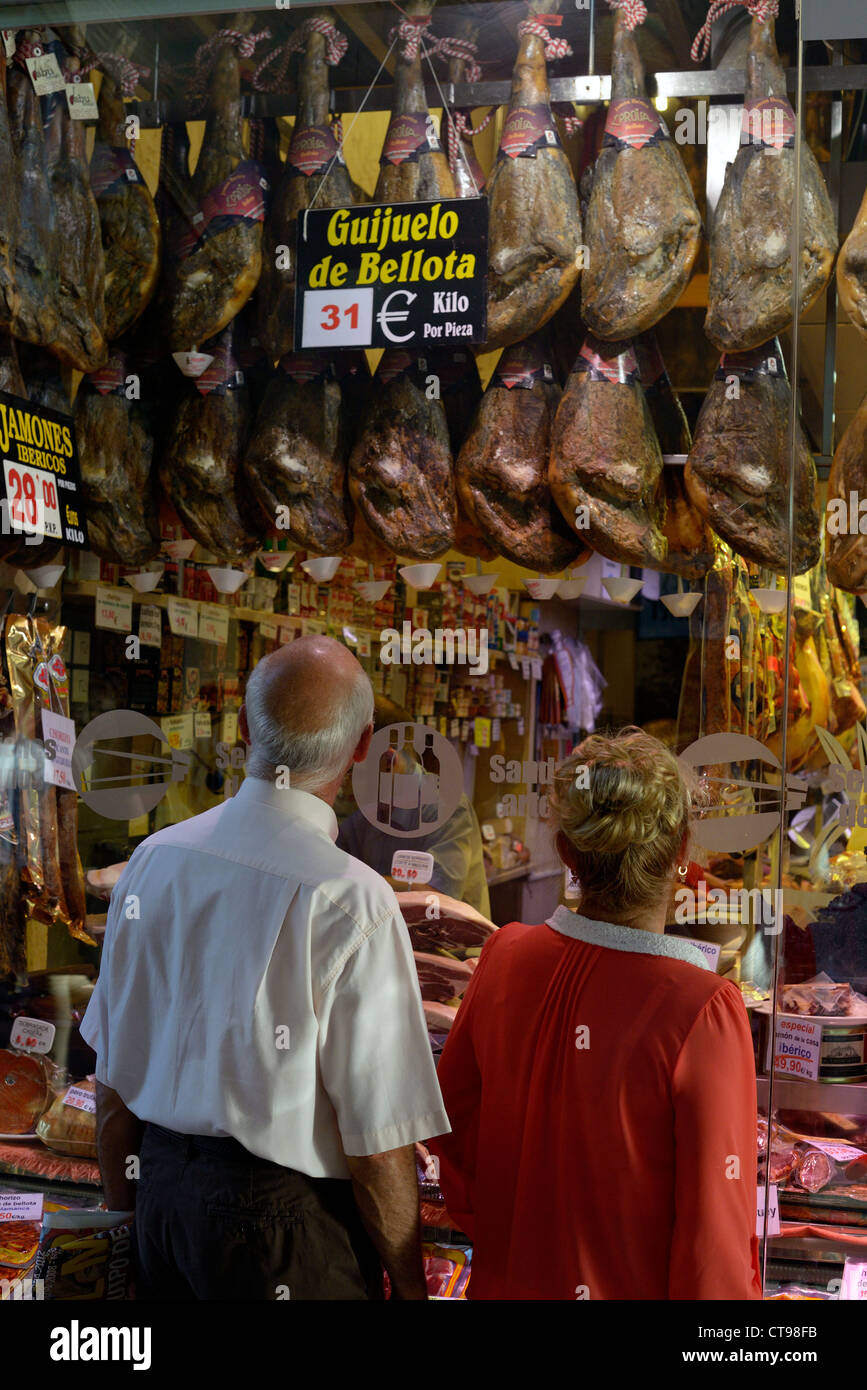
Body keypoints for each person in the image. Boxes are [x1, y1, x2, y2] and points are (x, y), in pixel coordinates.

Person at [80, 637, 450, 1301]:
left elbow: (113, 1087)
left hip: (164, 1199)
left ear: (246, 729)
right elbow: (376, 1146)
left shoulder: (156, 861)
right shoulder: (350, 896)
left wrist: (127, 1225)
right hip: (283, 1231)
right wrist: (408, 1287)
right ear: (363, 746)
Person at [429, 727, 762, 1300]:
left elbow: (453, 1130)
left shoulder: (505, 956)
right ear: (683, 852)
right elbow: (716, 1251)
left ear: (566, 853)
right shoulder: (703, 1008)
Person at [337, 696, 491, 918]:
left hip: (450, 949)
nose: (345, 779)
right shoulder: (364, 816)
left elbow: (434, 899)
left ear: (389, 761)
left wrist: (351, 881)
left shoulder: (446, 808)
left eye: (352, 768)